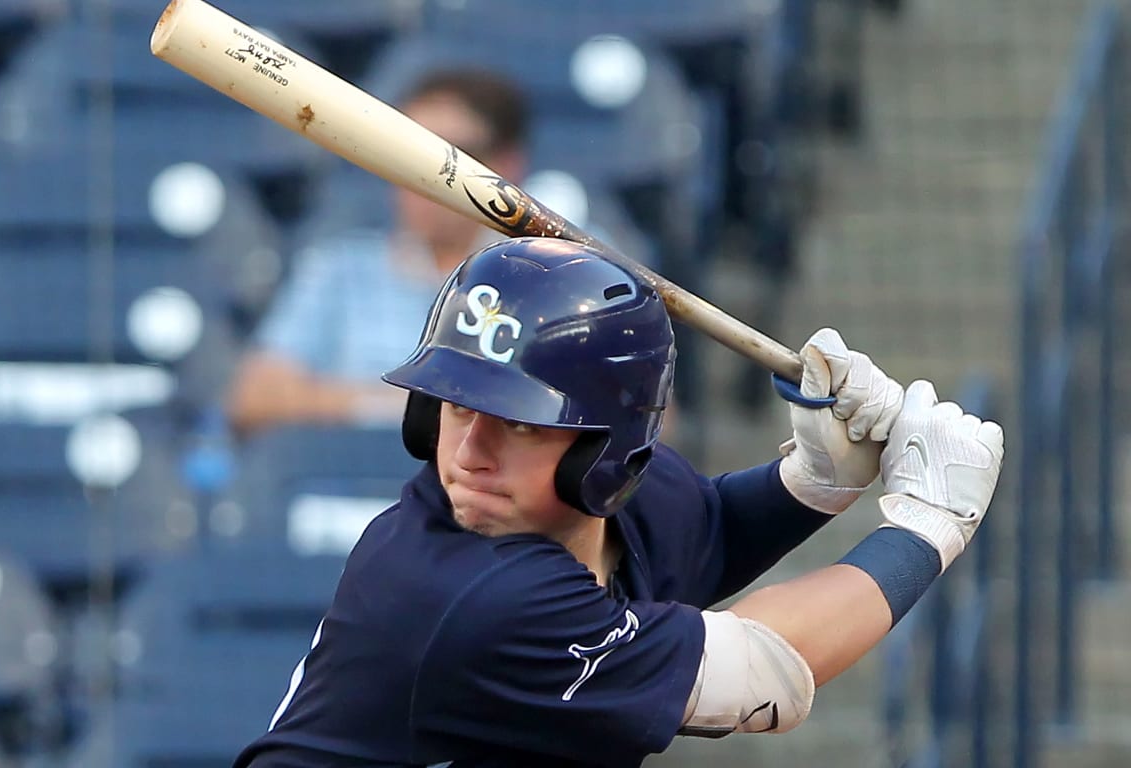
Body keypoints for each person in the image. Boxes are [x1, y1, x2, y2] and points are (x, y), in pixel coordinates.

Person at [232, 237, 1004, 767]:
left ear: (608, 450)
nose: (468, 453)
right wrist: (927, 526)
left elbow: (710, 534)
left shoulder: (626, 499)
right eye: (456, 407)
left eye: (515, 424)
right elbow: (762, 669)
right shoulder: (463, 593)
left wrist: (814, 480)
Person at [224, 68, 530, 434]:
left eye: (452, 157)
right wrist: (405, 407)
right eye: (409, 153)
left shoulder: (552, 274)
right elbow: (253, 399)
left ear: (507, 165)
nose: (426, 176)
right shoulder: (341, 269)